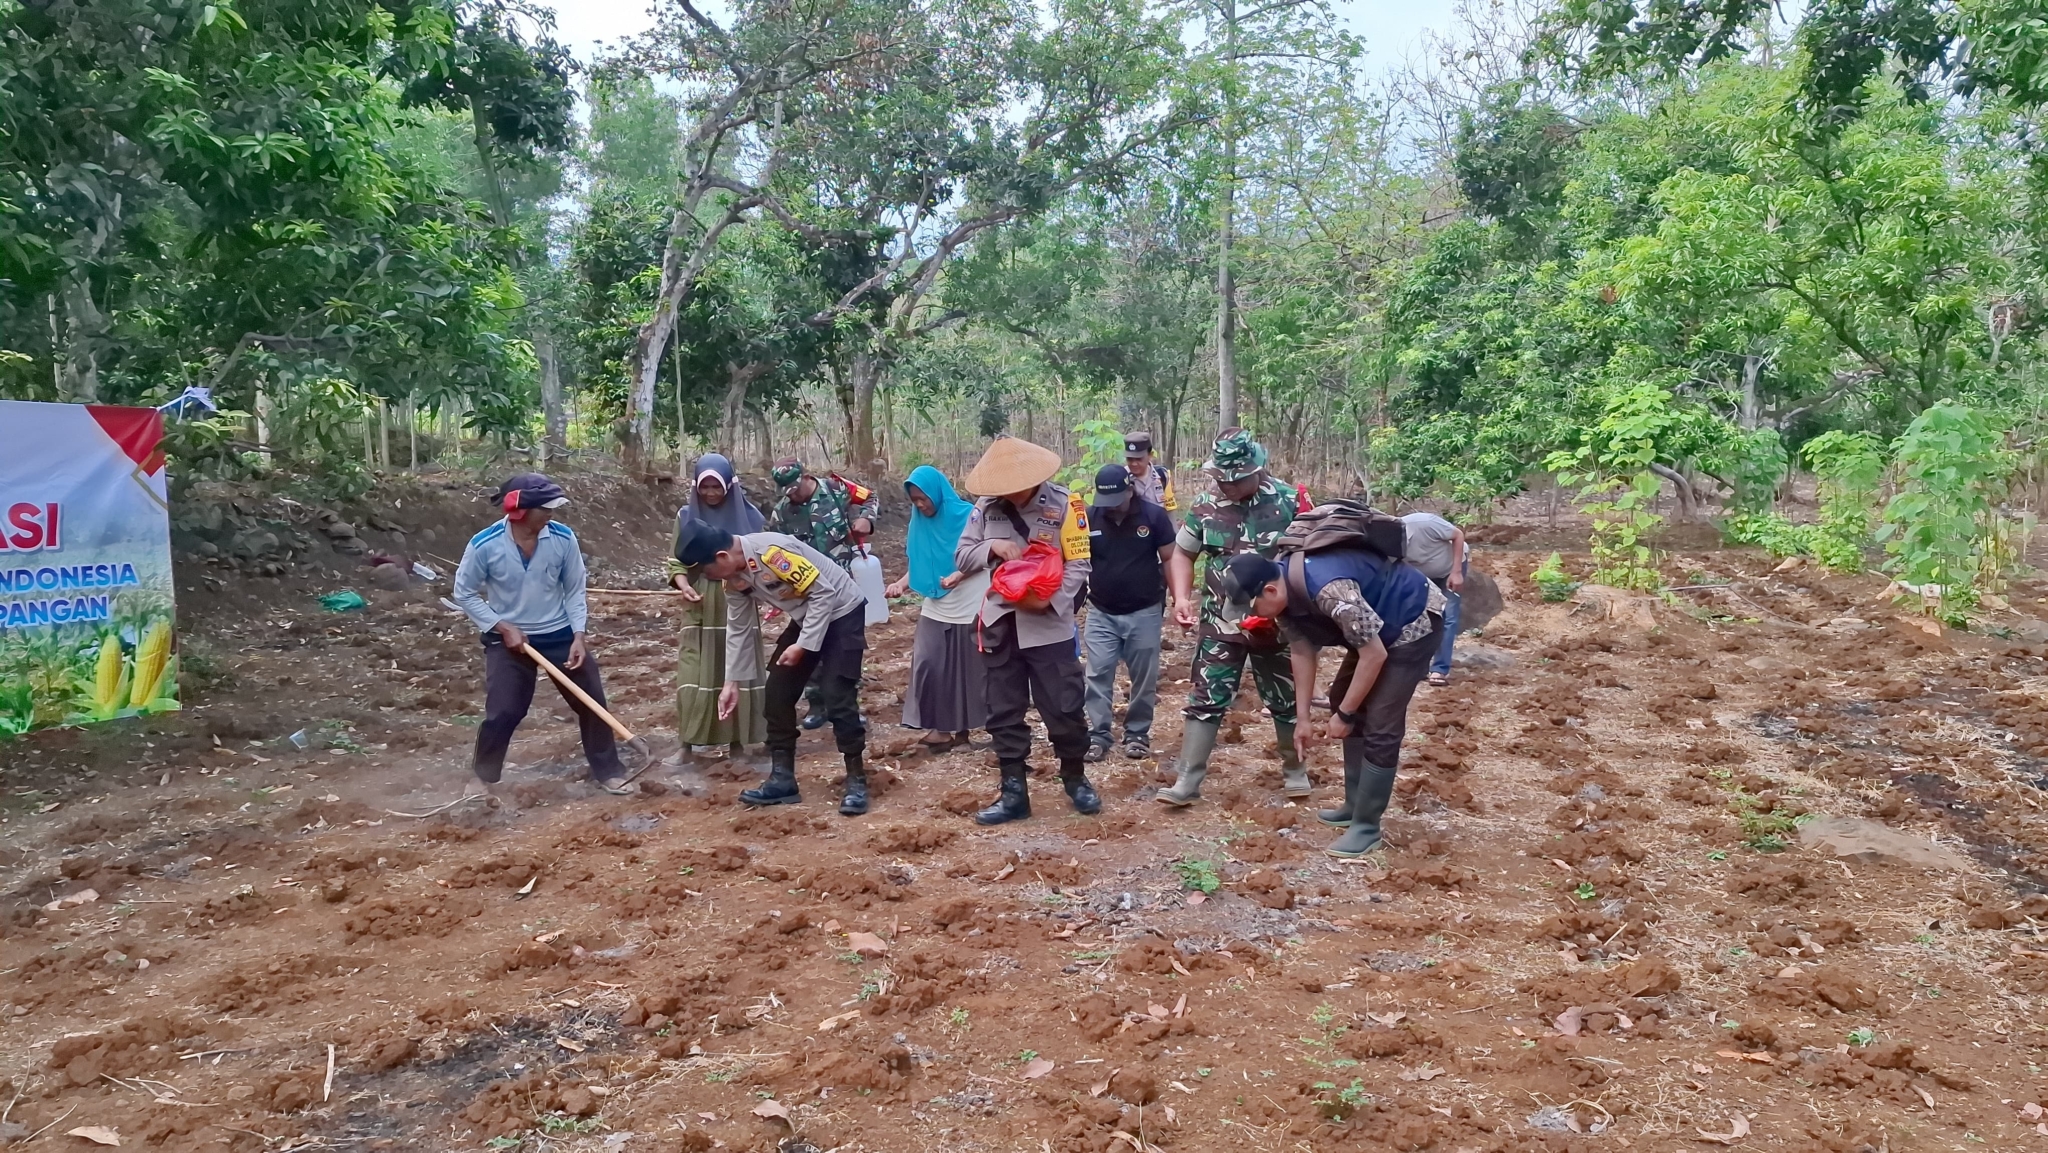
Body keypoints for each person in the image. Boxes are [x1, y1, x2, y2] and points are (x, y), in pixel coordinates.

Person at [1217, 542, 1444, 859]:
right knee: (1340, 697)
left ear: (1269, 591)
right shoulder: (1284, 597)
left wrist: (1347, 715)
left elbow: (1374, 654)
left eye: (1252, 607)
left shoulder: (1328, 590)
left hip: (1412, 621)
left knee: (1380, 720)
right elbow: (1301, 651)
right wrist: (1303, 719)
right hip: (1376, 631)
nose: (1252, 615)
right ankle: (1354, 805)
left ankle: (1367, 826)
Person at [674, 518, 874, 815]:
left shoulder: (773, 554)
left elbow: (824, 593)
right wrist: (732, 683)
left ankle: (856, 779)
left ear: (722, 557)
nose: (708, 577)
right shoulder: (734, 579)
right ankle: (783, 779)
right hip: (807, 617)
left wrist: (804, 645)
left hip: (842, 611)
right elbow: (739, 629)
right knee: (777, 693)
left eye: (706, 571)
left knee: (837, 695)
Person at [1157, 428, 1312, 807]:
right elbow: (1182, 554)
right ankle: (1188, 781)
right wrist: (1180, 596)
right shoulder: (1206, 504)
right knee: (1206, 695)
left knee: (1286, 697)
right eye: (1220, 478)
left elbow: (1314, 559)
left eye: (1235, 479)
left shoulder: (1291, 501)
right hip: (1221, 619)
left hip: (1277, 621)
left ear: (1256, 470)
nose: (1226, 486)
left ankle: (1295, 770)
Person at [454, 474, 630, 797]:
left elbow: (575, 590)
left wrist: (578, 635)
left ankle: (609, 771)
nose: (551, 514)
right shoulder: (484, 545)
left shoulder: (563, 539)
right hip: (506, 638)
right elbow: (463, 592)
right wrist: (501, 627)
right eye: (545, 508)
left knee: (592, 701)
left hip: (559, 633)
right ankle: (482, 777)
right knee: (505, 710)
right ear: (520, 510)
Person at [954, 436, 1099, 825]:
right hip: (1001, 623)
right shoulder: (985, 509)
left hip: (1049, 625)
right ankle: (1013, 792)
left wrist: (1047, 602)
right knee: (1002, 709)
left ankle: (1076, 779)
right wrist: (994, 547)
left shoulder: (1067, 505)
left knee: (1065, 707)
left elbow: (1080, 565)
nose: (1008, 494)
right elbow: (962, 554)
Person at [666, 454, 767, 761]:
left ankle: (737, 744)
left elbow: (759, 560)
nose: (710, 493)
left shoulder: (752, 519)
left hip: (738, 600)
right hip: (699, 603)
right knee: (693, 673)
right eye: (704, 486)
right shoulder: (685, 516)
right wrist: (683, 584)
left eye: (717, 486)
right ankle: (687, 745)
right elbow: (675, 561)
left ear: (729, 486)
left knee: (736, 669)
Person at [766, 457, 879, 729]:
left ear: (805, 476)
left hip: (843, 588)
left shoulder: (835, 488)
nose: (792, 494)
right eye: (787, 491)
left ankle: (847, 706)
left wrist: (866, 519)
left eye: (795, 487)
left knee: (846, 649)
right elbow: (771, 549)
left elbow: (870, 498)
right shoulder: (781, 513)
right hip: (806, 591)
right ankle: (817, 705)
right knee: (810, 644)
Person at [885, 465, 991, 750]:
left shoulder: (967, 516)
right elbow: (920, 561)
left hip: (969, 596)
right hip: (937, 598)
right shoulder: (919, 521)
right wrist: (902, 584)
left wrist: (960, 575)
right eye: (915, 500)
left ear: (937, 492)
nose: (920, 505)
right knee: (929, 662)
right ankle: (940, 728)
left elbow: (986, 555)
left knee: (969, 667)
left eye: (924, 498)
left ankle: (969, 729)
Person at [1081, 463, 1175, 761]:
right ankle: (1098, 734)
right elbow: (1076, 559)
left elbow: (1171, 559)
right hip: (1101, 609)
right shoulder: (1089, 517)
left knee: (1143, 677)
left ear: (1130, 489)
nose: (1111, 508)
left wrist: (1179, 600)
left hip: (1144, 609)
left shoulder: (1153, 516)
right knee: (1098, 672)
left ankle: (1137, 733)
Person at [1401, 511, 1467, 686]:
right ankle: (1419, 667)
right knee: (1420, 617)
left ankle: (1439, 669)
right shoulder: (1390, 542)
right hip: (1423, 575)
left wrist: (1457, 572)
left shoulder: (1424, 523)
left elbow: (1458, 535)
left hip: (1449, 569)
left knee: (1448, 616)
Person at [1123, 431, 1177, 512]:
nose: (1134, 464)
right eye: (1130, 459)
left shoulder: (1163, 475)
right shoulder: (1121, 478)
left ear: (1150, 455)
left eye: (1139, 459)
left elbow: (1169, 511)